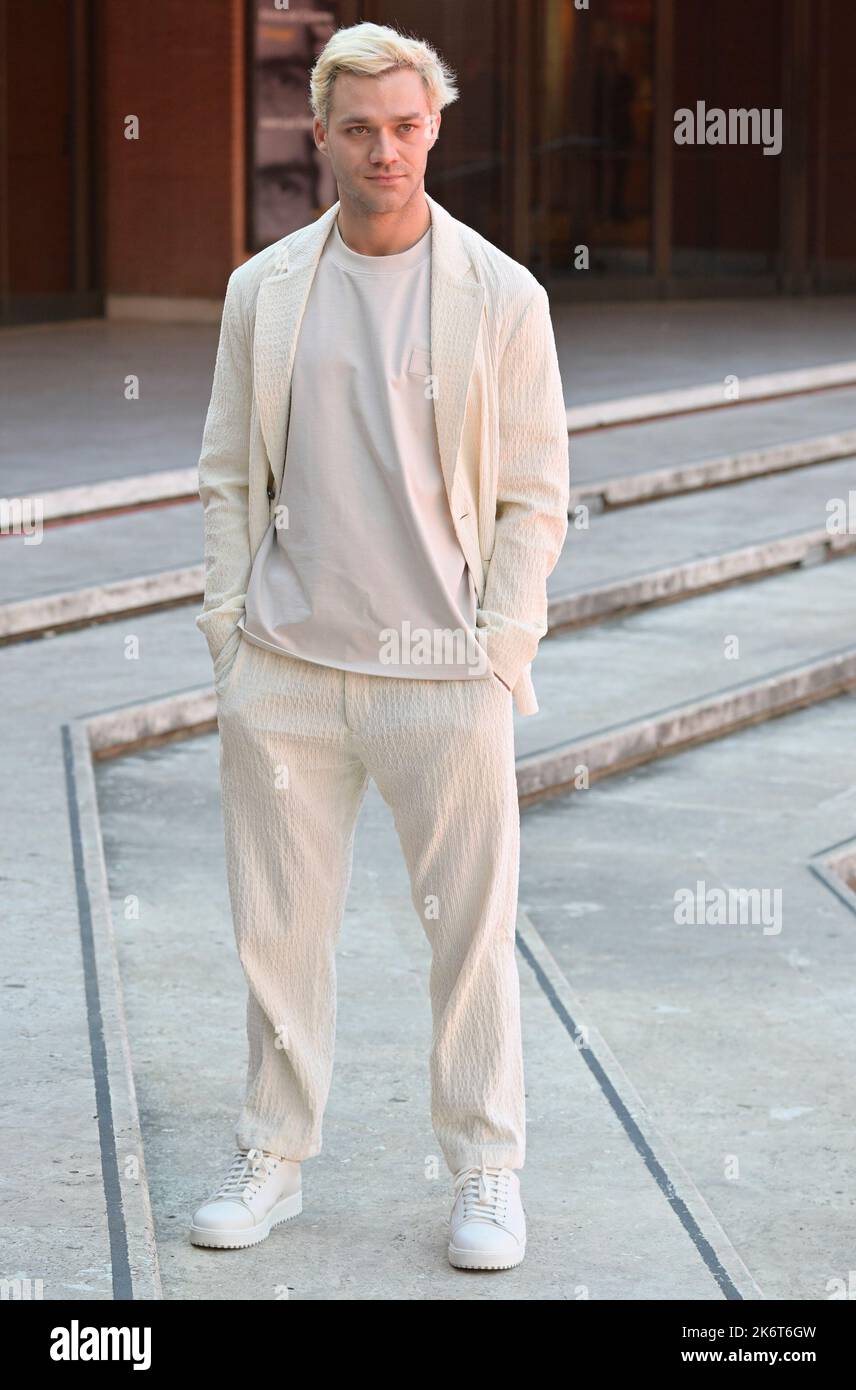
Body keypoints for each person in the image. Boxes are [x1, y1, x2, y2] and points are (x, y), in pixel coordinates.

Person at [188, 20, 570, 1272]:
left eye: (405, 125)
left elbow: (532, 493)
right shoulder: (263, 289)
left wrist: (498, 644)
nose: (384, 148)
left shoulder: (502, 295)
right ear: (322, 135)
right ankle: (275, 1156)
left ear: (434, 128)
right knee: (277, 930)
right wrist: (229, 638)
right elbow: (224, 477)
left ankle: (486, 1173)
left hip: (441, 674)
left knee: (469, 937)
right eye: (359, 127)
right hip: (289, 669)